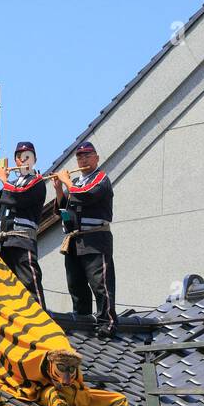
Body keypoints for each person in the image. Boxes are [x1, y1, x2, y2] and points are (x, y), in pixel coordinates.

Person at [54, 141, 117, 334]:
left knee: (100, 283)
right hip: (74, 240)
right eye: (80, 157)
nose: (83, 160)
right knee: (76, 284)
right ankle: (82, 321)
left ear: (97, 158)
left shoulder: (100, 179)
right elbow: (63, 210)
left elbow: (86, 195)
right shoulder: (76, 183)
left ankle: (108, 321)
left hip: (95, 238)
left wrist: (66, 182)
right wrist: (58, 189)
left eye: (88, 156)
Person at [0, 141, 47, 304]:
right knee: (4, 285)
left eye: (27, 156)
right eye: (19, 157)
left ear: (34, 160)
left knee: (29, 282)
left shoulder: (37, 180)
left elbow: (19, 198)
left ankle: (41, 316)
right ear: (15, 161)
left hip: (22, 239)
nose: (23, 160)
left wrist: (4, 180)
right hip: (4, 241)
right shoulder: (12, 184)